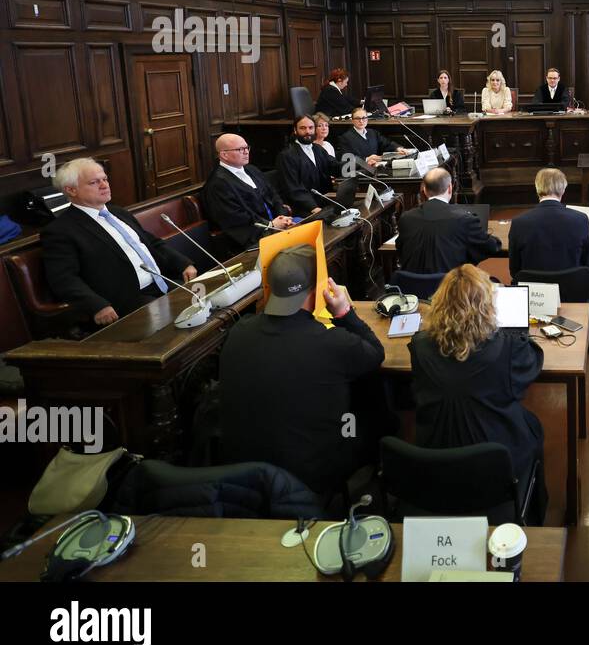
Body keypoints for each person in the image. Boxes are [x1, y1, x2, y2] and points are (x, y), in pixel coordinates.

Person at [219, 245, 392, 497]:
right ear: (319, 288)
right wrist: (344, 313)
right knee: (373, 407)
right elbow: (375, 354)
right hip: (313, 474)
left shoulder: (237, 333)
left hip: (244, 473)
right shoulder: (334, 343)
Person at [409, 265, 547, 524]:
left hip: (435, 457)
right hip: (496, 462)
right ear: (488, 306)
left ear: (438, 303)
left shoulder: (419, 347)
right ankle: (537, 512)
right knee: (535, 427)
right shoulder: (508, 349)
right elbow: (530, 368)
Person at [41, 158, 197, 326]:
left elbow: (151, 243)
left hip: (163, 283)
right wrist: (96, 305)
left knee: (208, 304)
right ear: (71, 190)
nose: (104, 185)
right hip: (127, 300)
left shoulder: (119, 212)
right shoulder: (60, 230)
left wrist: (183, 264)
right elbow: (63, 279)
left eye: (105, 179)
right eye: (94, 182)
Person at [396, 167, 501, 273]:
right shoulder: (465, 220)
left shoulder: (406, 218)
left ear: (424, 190)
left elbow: (400, 250)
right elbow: (491, 247)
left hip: (412, 287)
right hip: (450, 286)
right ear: (450, 188)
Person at [203, 134, 295, 252]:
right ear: (224, 154)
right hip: (253, 237)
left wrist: (282, 217)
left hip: (277, 225)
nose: (246, 152)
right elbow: (236, 218)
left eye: (247, 148)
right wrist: (271, 225)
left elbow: (273, 194)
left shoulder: (252, 169)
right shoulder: (218, 184)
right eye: (240, 149)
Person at [507, 168, 589, 280]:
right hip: (571, 291)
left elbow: (515, 270)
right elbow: (587, 265)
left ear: (537, 188)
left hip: (534, 292)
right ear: (563, 190)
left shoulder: (519, 222)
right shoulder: (581, 220)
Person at [277, 115, 341, 217]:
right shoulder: (287, 156)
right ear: (295, 130)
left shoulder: (317, 149)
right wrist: (313, 208)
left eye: (310, 128)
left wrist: (357, 164)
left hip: (324, 201)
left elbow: (334, 166)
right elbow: (293, 188)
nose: (307, 131)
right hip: (303, 208)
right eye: (303, 128)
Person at [333, 107, 414, 169]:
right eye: (358, 118)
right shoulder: (345, 138)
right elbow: (348, 159)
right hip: (361, 170)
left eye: (364, 118)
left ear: (367, 119)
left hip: (377, 167)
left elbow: (386, 143)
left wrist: (398, 148)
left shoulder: (372, 133)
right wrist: (367, 159)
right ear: (352, 120)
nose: (361, 121)